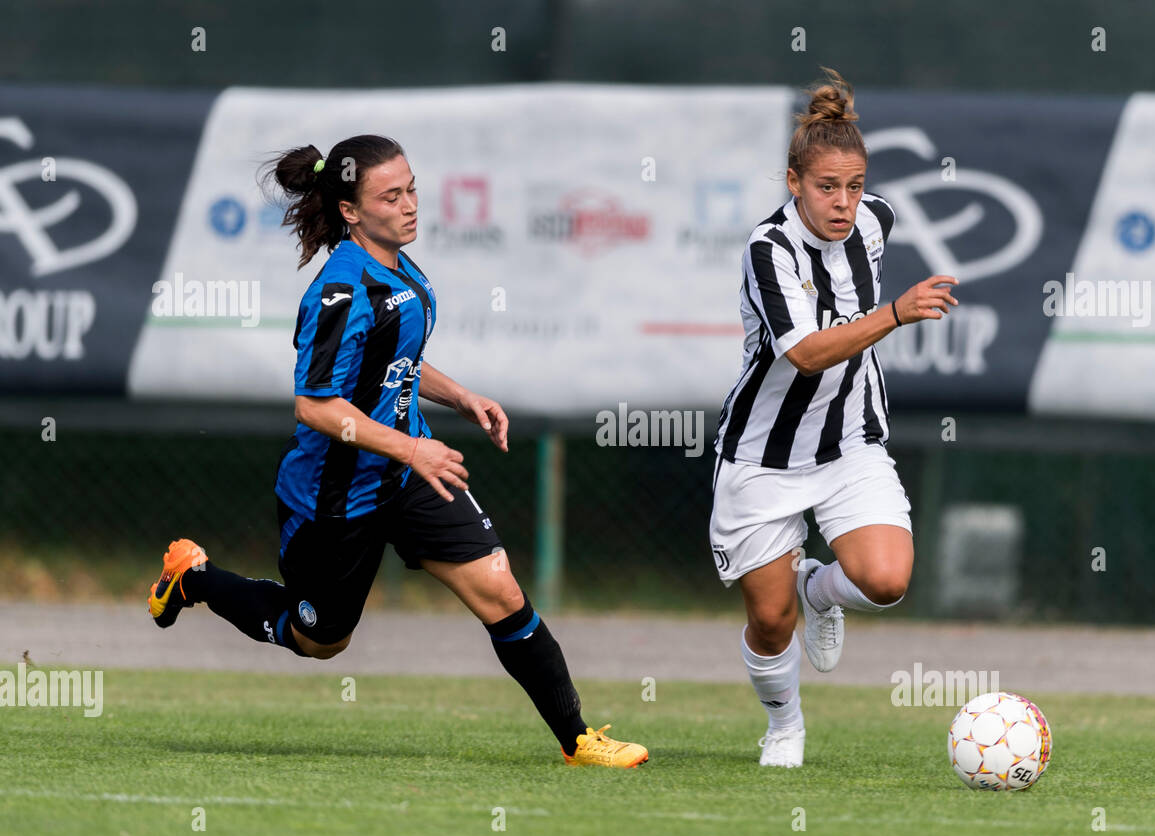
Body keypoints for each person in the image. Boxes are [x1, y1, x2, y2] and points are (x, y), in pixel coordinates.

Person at [147, 134, 647, 769]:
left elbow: (395, 359)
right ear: (351, 211)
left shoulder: (400, 265)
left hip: (410, 474)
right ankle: (195, 578)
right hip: (334, 494)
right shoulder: (337, 292)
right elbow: (316, 405)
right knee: (320, 640)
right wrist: (412, 449)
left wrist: (461, 397)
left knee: (500, 589)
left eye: (411, 188)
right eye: (391, 195)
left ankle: (578, 740)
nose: (410, 204)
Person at [709, 70, 958, 768]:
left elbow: (867, 224)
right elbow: (808, 354)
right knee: (767, 617)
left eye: (854, 185)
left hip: (850, 442)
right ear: (793, 182)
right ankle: (784, 724)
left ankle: (821, 587)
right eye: (826, 187)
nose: (843, 202)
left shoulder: (877, 219)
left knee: (885, 579)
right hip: (763, 454)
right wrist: (896, 312)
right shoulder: (769, 250)